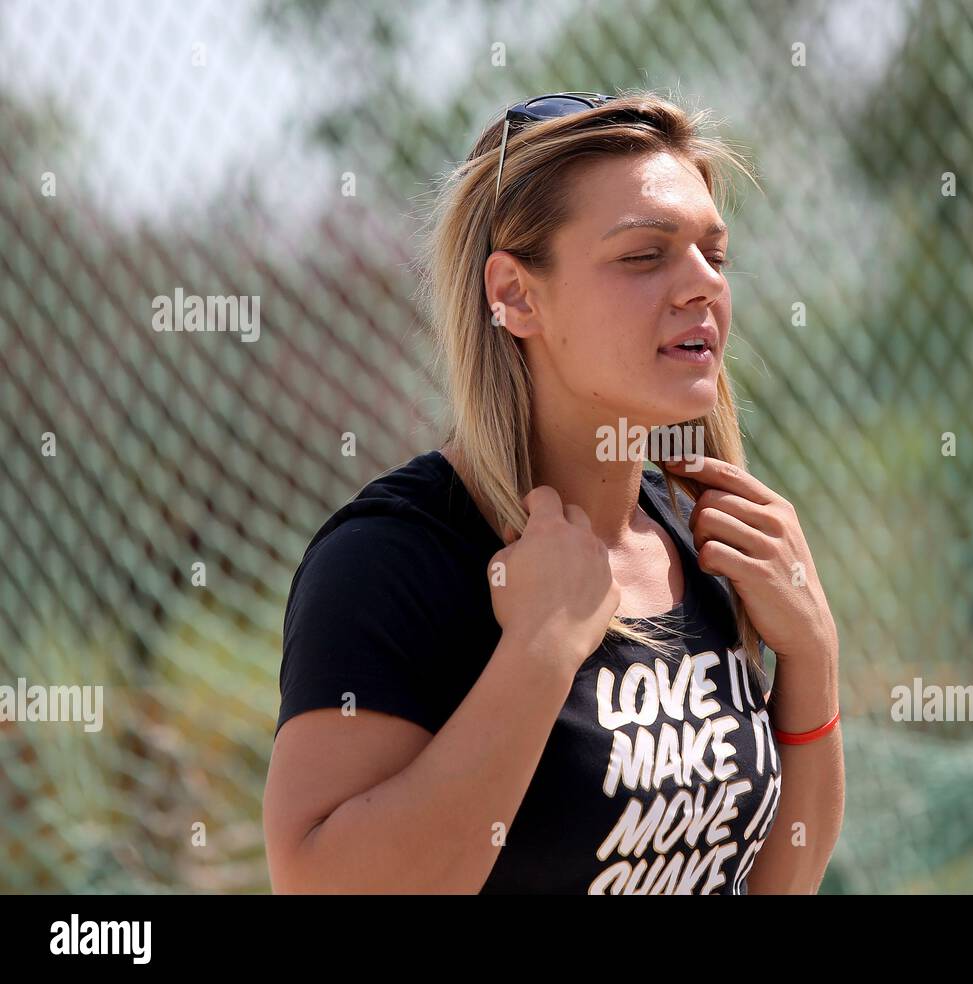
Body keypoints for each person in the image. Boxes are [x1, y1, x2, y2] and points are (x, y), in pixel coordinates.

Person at [262, 90, 844, 894]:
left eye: (716, 253)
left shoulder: (707, 537)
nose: (701, 285)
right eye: (645, 255)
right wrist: (538, 654)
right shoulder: (391, 559)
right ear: (515, 295)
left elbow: (777, 881)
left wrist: (811, 655)